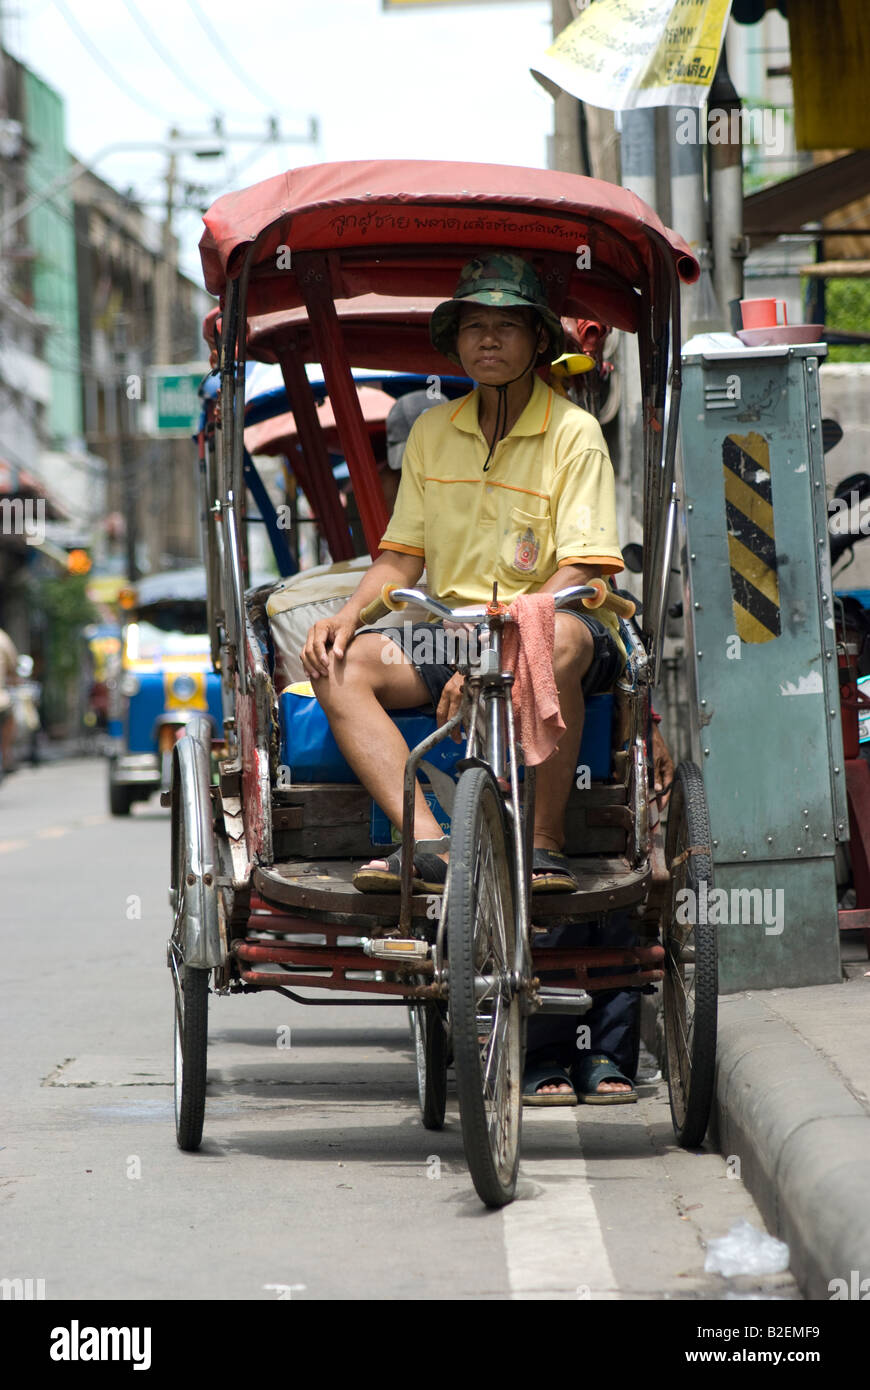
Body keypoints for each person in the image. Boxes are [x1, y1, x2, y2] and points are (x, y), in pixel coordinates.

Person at [301, 252, 632, 1101]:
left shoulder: (573, 434)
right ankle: (430, 843)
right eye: (475, 326)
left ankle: (548, 845)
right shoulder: (436, 434)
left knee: (551, 641)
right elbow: (401, 552)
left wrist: (512, 624)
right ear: (458, 343)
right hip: (447, 627)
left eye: (506, 325)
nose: (489, 339)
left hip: (553, 619)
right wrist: (351, 616)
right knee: (342, 670)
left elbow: (588, 566)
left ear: (534, 341)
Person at [0, 625, 19, 773]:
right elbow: (13, 665)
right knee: (9, 717)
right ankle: (6, 754)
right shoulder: (2, 638)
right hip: (1, 700)